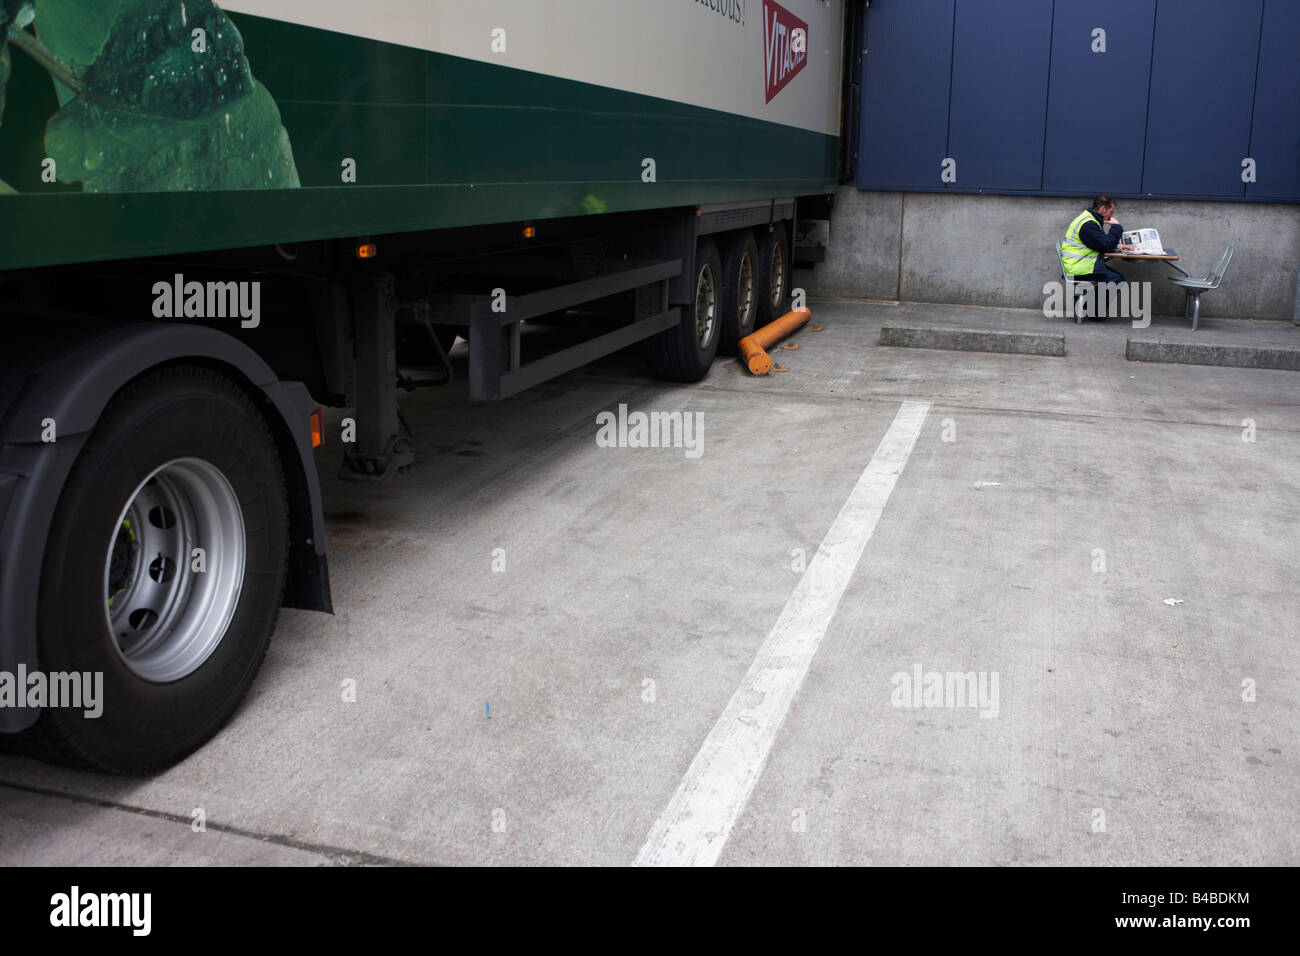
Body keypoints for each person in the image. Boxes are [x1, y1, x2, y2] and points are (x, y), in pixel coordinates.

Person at [1060, 194, 1135, 284]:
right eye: (1111, 212)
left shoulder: (1089, 218)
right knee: (1117, 281)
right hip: (1079, 268)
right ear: (1103, 209)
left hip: (1079, 264)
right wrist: (1116, 226)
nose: (1111, 216)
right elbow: (1106, 246)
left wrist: (1117, 246)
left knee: (1116, 279)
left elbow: (1099, 243)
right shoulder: (1089, 225)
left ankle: (1090, 298)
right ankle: (1091, 299)